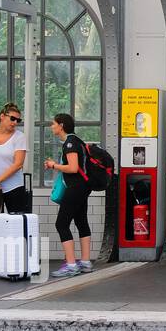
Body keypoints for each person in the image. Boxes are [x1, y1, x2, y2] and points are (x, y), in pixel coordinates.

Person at [44, 113, 92, 279]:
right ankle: (85, 262)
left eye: (53, 123)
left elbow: (72, 168)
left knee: (61, 224)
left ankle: (71, 265)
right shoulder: (77, 141)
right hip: (83, 188)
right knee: (81, 222)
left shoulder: (70, 144)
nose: (52, 126)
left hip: (75, 188)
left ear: (61, 125)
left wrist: (53, 165)